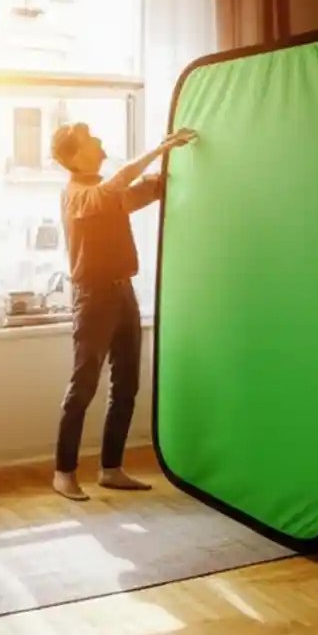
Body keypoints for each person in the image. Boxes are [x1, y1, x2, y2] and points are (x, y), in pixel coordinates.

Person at [49, 122, 198, 501]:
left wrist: (167, 171)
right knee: (83, 387)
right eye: (92, 142)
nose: (100, 143)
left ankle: (110, 469)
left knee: (126, 384)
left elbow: (138, 193)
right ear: (73, 156)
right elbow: (114, 188)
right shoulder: (77, 195)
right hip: (93, 298)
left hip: (124, 294)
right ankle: (64, 473)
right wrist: (159, 149)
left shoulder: (105, 193)